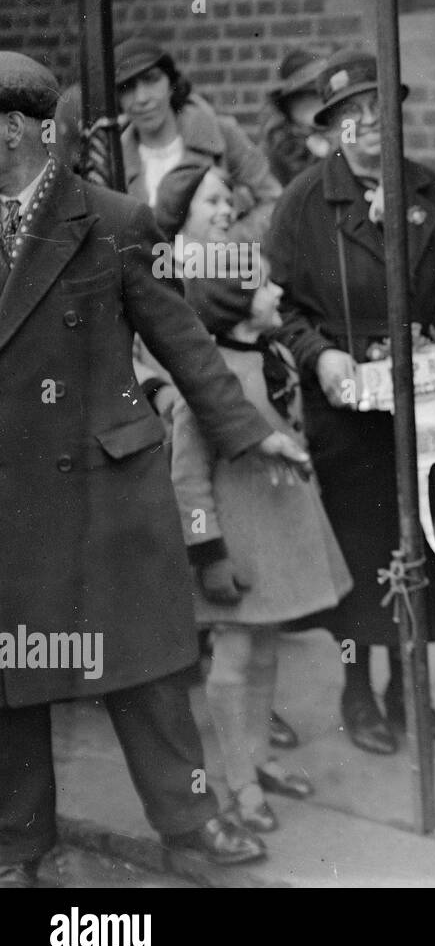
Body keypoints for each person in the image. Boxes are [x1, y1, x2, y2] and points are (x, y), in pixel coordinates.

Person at [0, 52, 311, 887]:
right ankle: (18, 846)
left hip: (105, 480)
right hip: (8, 491)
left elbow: (177, 334)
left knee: (146, 670)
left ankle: (191, 823)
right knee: (12, 673)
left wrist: (247, 432)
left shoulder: (113, 219)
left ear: (12, 130)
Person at [266, 49, 435, 755]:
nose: (366, 125)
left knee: (421, 542)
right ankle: (357, 692)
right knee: (361, 555)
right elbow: (281, 307)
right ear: (329, 127)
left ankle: (410, 689)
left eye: (378, 109)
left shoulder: (429, 191)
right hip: (345, 408)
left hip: (418, 405)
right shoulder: (305, 200)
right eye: (349, 115)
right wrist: (320, 355)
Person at [169, 190, 352, 834]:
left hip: (281, 534)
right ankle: (238, 783)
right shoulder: (209, 381)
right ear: (234, 305)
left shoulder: (270, 356)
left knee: (268, 653)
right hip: (239, 548)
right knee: (236, 663)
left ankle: (260, 759)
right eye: (263, 285)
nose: (277, 292)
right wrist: (208, 554)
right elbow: (187, 477)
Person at [115, 36, 281, 244]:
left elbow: (273, 201)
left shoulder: (219, 133)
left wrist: (226, 241)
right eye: (127, 87)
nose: (141, 98)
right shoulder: (114, 157)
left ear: (171, 83)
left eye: (151, 79)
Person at [260, 48, 333, 187]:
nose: (323, 102)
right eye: (311, 95)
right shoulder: (278, 143)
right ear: (291, 104)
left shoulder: (342, 131)